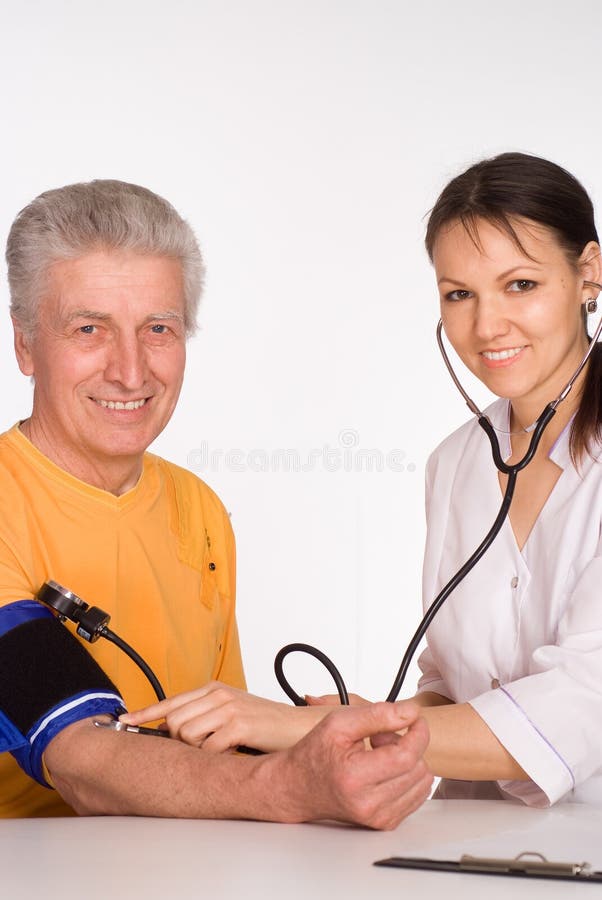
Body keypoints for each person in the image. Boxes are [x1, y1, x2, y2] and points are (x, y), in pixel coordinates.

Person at [124, 153, 602, 808]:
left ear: (588, 273)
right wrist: (373, 724)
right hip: (473, 850)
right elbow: (453, 682)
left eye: (520, 285)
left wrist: (303, 725)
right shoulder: (455, 464)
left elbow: (580, 703)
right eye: (459, 294)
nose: (487, 326)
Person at [0, 179, 432, 825]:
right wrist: (290, 784)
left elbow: (216, 741)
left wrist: (321, 742)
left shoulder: (197, 508)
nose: (130, 370)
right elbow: (81, 761)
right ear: (27, 345)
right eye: (89, 328)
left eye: (158, 328)